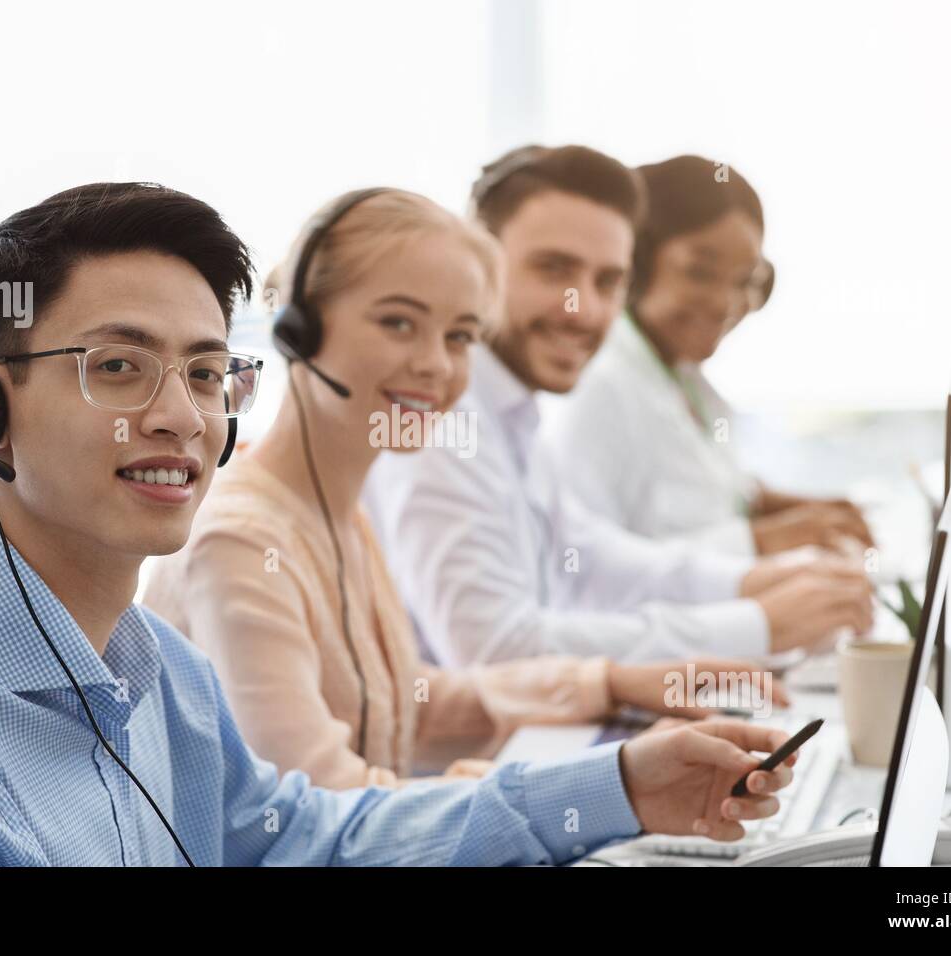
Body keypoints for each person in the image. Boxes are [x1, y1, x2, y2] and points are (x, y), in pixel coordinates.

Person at [0, 182, 795, 866]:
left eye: (209, 370)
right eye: (119, 364)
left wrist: (617, 785)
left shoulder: (158, 672)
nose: (183, 413)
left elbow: (317, 832)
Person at [144, 188, 788, 789]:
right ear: (299, 330)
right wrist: (608, 785)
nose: (437, 365)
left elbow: (401, 705)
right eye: (399, 323)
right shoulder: (242, 544)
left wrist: (613, 683)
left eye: (460, 337)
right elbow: (318, 808)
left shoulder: (337, 515)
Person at [365, 146, 874, 669]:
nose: (582, 309)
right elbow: (495, 652)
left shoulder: (512, 412)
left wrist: (752, 579)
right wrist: (758, 623)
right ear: (475, 264)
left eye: (608, 282)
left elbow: (591, 559)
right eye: (552, 269)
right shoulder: (440, 418)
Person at [543, 155, 874, 556]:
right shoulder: (598, 388)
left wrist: (805, 511)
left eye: (744, 281)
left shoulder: (685, 380)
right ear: (636, 263)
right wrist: (763, 541)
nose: (725, 304)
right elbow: (585, 567)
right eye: (700, 272)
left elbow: (712, 494)